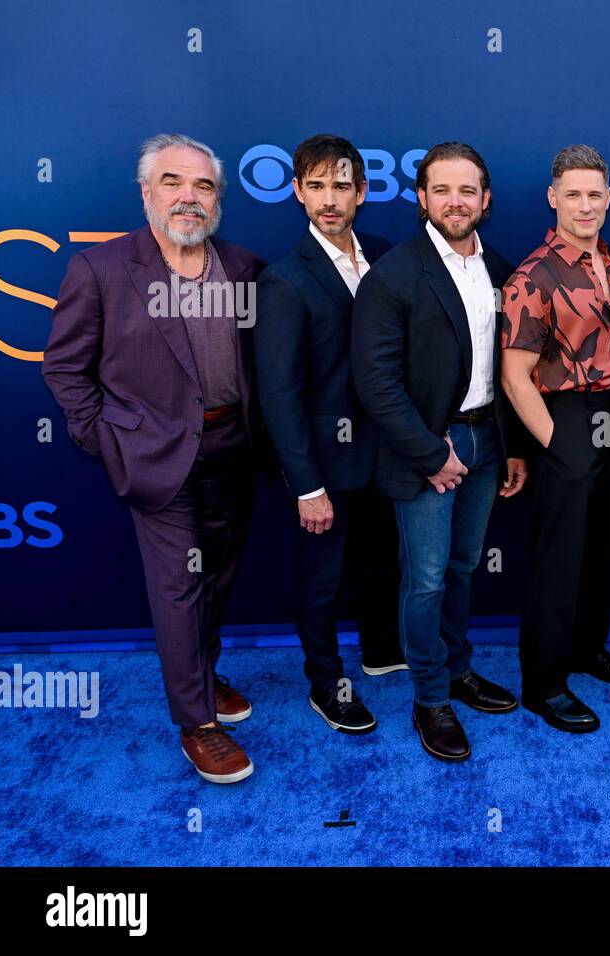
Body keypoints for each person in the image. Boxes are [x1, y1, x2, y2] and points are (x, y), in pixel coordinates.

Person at [42, 133, 264, 782]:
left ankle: (201, 671)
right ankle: (197, 720)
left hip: (234, 449)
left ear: (218, 198)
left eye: (202, 186)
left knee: (218, 578)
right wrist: (104, 439)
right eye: (173, 182)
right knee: (178, 588)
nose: (188, 197)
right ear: (146, 193)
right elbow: (65, 368)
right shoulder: (102, 271)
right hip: (154, 459)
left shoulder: (244, 268)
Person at [351, 141, 527, 763]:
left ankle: (457, 670)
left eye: (468, 190)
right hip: (428, 450)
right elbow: (375, 381)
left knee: (462, 566)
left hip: (487, 441)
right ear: (421, 197)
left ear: (485, 199)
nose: (457, 201)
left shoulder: (502, 268)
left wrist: (510, 447)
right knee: (424, 580)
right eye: (443, 190)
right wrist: (431, 453)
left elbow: (508, 368)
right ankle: (430, 698)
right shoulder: (394, 274)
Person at [255, 134, 403, 735]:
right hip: (323, 463)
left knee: (380, 563)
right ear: (297, 191)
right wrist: (305, 484)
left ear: (362, 192)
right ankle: (326, 684)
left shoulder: (390, 255)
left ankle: (380, 650)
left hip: (386, 455)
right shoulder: (284, 281)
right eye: (315, 186)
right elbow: (279, 395)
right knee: (322, 580)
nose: (329, 199)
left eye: (341, 185)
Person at [500, 144, 610, 735]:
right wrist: (557, 443)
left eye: (594, 195)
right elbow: (514, 376)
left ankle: (587, 650)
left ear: (608, 199)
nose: (584, 206)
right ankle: (543, 683)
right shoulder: (532, 275)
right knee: (557, 558)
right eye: (573, 195)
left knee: (601, 546)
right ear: (552, 198)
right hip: (561, 416)